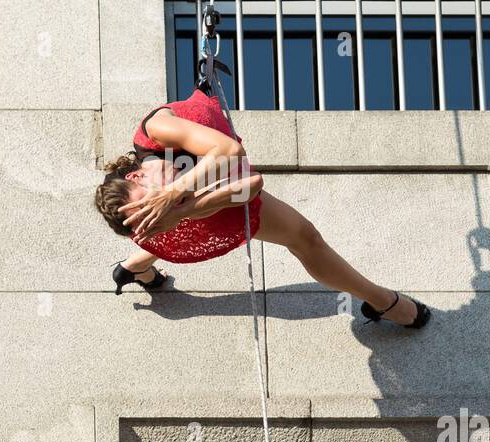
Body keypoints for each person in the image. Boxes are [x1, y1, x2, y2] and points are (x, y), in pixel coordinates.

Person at [93, 85, 431, 329]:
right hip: (199, 210)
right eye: (150, 215)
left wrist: (173, 196)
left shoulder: (156, 130)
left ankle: (135, 266)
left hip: (206, 180)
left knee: (302, 238)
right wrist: (180, 210)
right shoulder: (172, 212)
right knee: (305, 237)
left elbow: (231, 154)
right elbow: (250, 187)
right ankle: (383, 302)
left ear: (136, 174)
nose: (157, 208)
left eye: (149, 203)